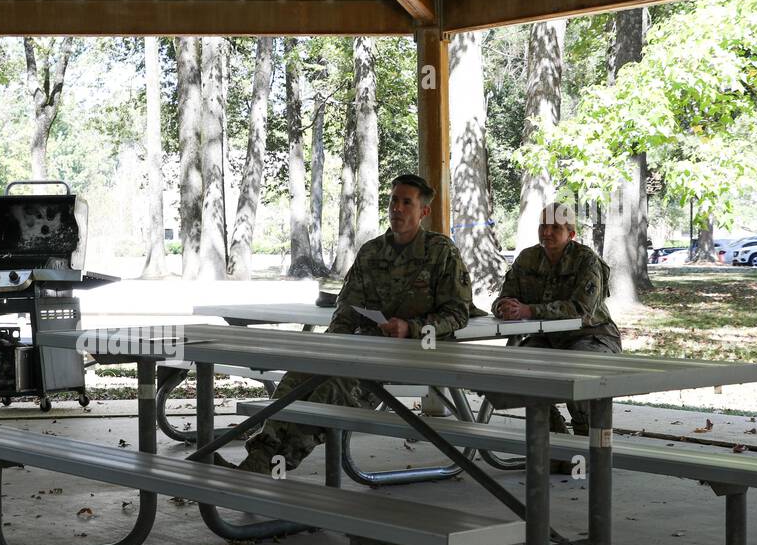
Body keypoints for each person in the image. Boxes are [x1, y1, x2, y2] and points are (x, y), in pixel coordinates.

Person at [226, 173, 472, 474]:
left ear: (423, 211)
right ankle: (261, 454)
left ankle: (274, 462)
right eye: (393, 200)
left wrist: (411, 327)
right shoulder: (371, 252)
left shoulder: (441, 252)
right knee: (298, 376)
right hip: (367, 348)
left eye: (407, 202)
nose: (397, 208)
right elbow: (346, 308)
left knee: (334, 389)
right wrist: (333, 346)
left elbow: (458, 313)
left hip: (416, 353)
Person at [492, 203, 621, 467]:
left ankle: (589, 449)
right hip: (547, 338)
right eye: (543, 226)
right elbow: (504, 297)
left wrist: (529, 310)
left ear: (571, 233)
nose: (547, 233)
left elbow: (581, 310)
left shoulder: (586, 260)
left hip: (592, 336)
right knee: (518, 367)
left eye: (556, 227)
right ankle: (556, 443)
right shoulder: (527, 259)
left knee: (577, 372)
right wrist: (505, 307)